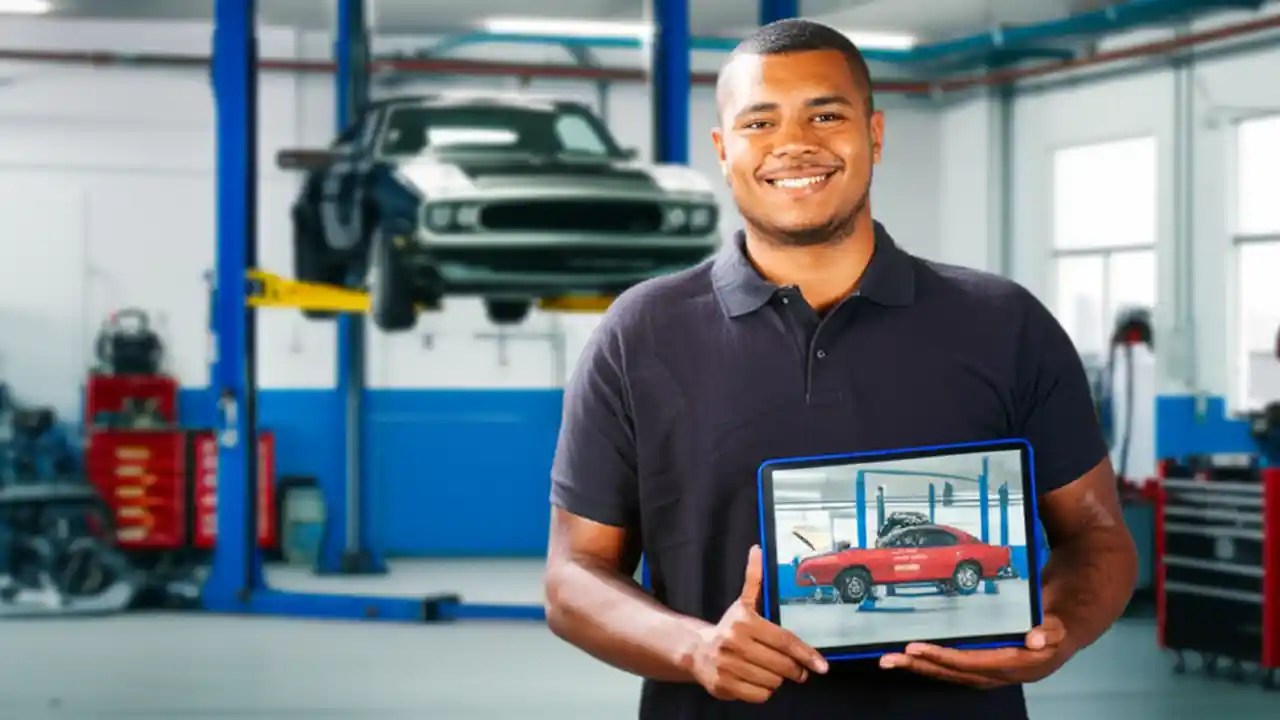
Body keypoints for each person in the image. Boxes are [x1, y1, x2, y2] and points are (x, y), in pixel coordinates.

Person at [542, 17, 1138, 720]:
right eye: (760, 123)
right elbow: (573, 576)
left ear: (875, 134)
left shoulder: (1005, 324)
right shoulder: (638, 333)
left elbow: (1098, 538)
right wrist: (695, 647)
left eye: (826, 113)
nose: (795, 143)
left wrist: (1057, 630)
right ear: (723, 149)